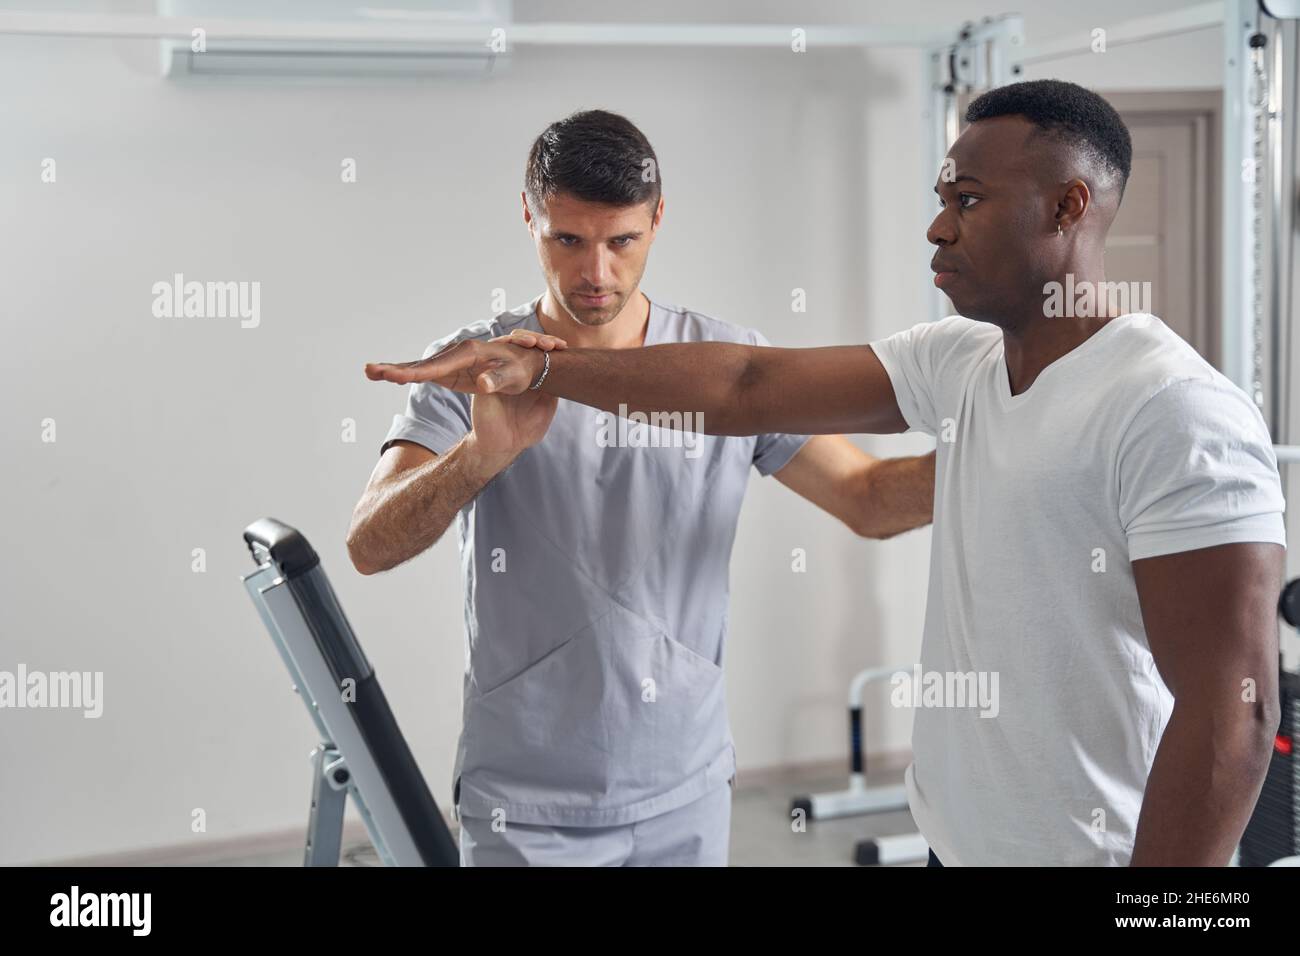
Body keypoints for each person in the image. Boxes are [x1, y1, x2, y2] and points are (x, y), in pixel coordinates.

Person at [369, 81, 1288, 866]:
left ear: (1068, 207)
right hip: (939, 838)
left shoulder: (1172, 410)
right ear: (530, 220)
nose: (937, 224)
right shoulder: (963, 364)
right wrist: (517, 404)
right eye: (568, 240)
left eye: (966, 200)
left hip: (1066, 845)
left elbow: (1235, 718)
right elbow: (745, 385)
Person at [349, 109, 936, 866]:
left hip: (681, 787)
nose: (596, 273)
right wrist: (475, 458)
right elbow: (369, 543)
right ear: (529, 218)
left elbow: (867, 497)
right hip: (524, 800)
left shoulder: (727, 371)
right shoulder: (476, 369)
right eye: (568, 240)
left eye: (621, 241)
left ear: (658, 221)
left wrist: (1007, 455)